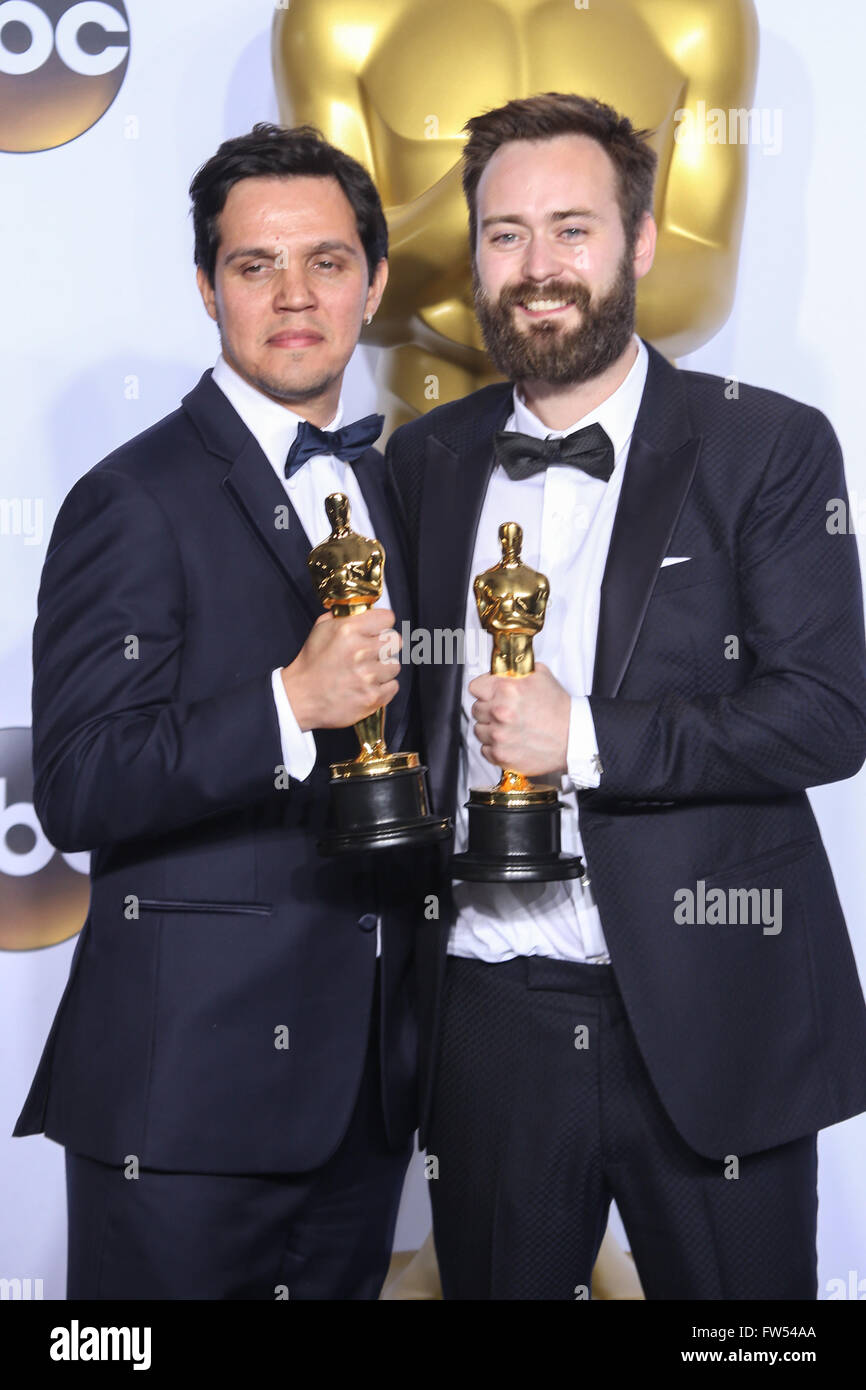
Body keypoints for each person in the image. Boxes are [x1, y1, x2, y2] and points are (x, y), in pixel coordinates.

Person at [386, 92, 866, 1300]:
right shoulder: (419, 463)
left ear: (639, 243)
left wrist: (583, 737)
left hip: (714, 1006)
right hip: (488, 1014)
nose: (535, 268)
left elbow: (824, 710)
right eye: (503, 235)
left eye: (570, 229)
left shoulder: (769, 446)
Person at [15, 122, 417, 1301]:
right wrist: (287, 703)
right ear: (206, 287)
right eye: (255, 266)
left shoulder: (393, 483)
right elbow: (81, 780)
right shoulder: (130, 496)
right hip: (182, 1107)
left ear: (374, 281)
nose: (295, 296)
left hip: (362, 1101)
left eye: (327, 262)